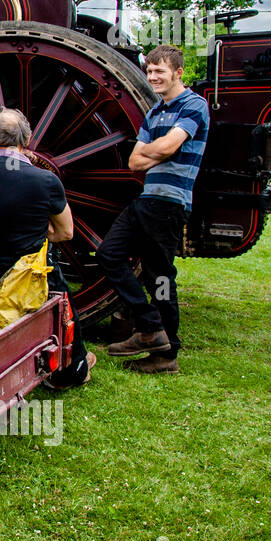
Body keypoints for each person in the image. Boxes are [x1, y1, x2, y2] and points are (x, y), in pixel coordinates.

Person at [0, 108, 94, 388]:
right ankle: (72, 371)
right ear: (27, 140)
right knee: (61, 290)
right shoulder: (45, 181)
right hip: (22, 278)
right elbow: (65, 232)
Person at [96, 45, 210, 375]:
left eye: (160, 71)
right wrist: (157, 152)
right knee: (109, 254)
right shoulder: (155, 113)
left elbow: (169, 145)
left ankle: (166, 354)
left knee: (159, 276)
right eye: (149, 71)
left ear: (178, 73)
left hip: (170, 204)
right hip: (147, 200)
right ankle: (148, 326)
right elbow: (135, 161)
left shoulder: (194, 105)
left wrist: (156, 152)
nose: (153, 77)